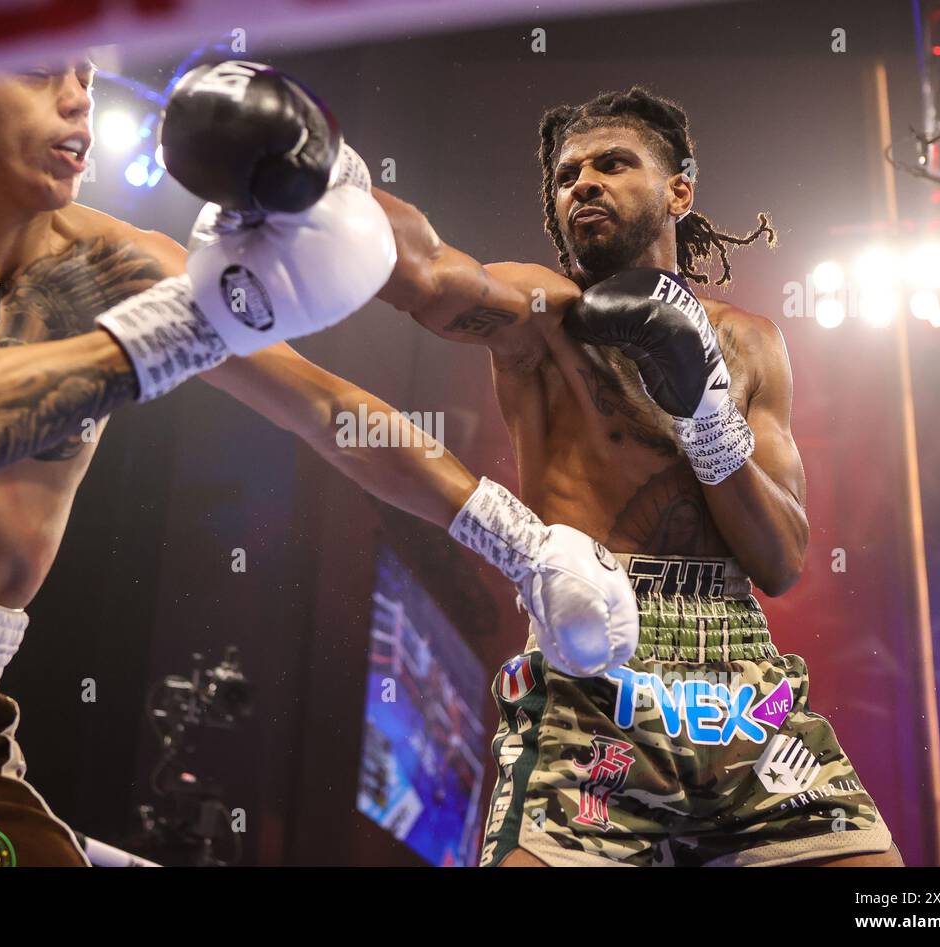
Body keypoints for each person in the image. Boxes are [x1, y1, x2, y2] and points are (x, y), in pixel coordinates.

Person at [0, 58, 634, 865]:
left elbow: (329, 413)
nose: (75, 98)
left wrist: (523, 540)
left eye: (86, 77)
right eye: (39, 74)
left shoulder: (127, 264)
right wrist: (205, 320)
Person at [366, 84, 903, 866]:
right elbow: (425, 277)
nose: (582, 181)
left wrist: (707, 418)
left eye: (612, 164)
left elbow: (782, 560)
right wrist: (322, 176)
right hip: (593, 667)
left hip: (743, 686)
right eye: (567, 175)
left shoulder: (748, 341)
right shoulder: (539, 314)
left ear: (679, 189)